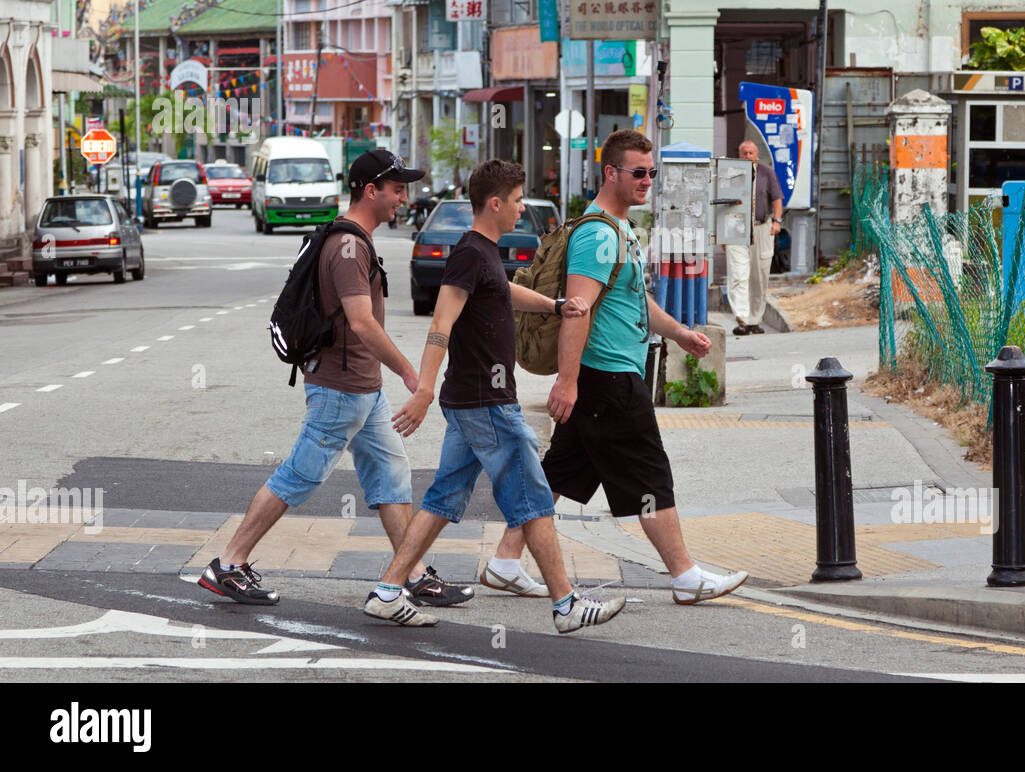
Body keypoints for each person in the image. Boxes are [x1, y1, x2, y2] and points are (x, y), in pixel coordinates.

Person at [362, 159, 625, 633]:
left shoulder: (482, 253)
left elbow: (501, 292)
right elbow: (441, 324)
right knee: (534, 497)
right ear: (496, 202)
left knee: (443, 497)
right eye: (519, 200)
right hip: (485, 400)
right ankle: (566, 604)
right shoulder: (469, 254)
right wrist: (422, 388)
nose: (523, 209)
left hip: (473, 400)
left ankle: (387, 592)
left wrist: (554, 305)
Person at [198, 149, 470, 609]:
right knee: (298, 477)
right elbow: (361, 323)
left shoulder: (356, 240)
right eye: (397, 189)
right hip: (339, 391)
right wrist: (408, 371)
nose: (403, 198)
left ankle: (412, 575)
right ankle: (228, 563)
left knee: (391, 476)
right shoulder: (348, 247)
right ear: (371, 190)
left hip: (364, 392)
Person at [489, 129, 749, 605]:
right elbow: (577, 309)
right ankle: (685, 575)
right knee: (650, 474)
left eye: (652, 172)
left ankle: (505, 561)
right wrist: (567, 382)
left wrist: (679, 333)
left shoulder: (620, 228)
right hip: (607, 376)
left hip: (604, 375)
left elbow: (634, 299)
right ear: (611, 172)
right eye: (639, 172)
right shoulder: (598, 235)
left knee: (559, 476)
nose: (647, 180)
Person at [725, 139, 783, 336]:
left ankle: (755, 320)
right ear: (739, 155)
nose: (748, 156)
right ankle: (742, 320)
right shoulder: (731, 173)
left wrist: (777, 221)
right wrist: (724, 235)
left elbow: (777, 199)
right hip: (736, 227)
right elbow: (723, 203)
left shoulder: (767, 173)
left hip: (762, 227)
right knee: (738, 275)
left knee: (759, 275)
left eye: (751, 153)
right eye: (744, 153)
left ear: (757, 155)